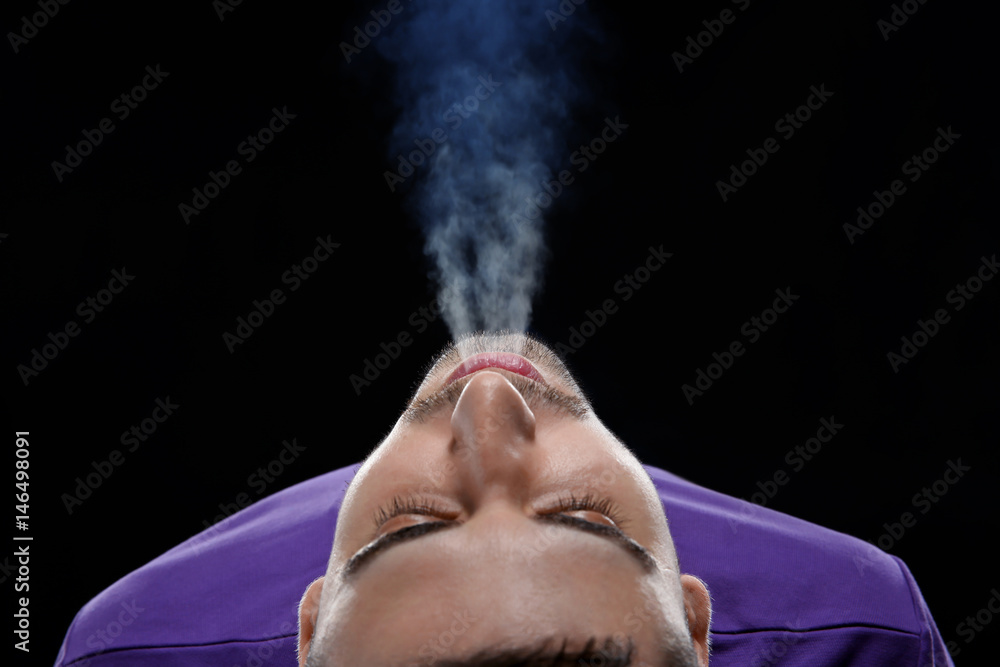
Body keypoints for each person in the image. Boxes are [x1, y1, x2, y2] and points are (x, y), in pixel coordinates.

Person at [55, 332, 953, 667]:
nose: (490, 403)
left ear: (308, 625)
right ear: (697, 621)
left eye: (408, 525)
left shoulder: (135, 644)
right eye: (584, 517)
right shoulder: (864, 628)